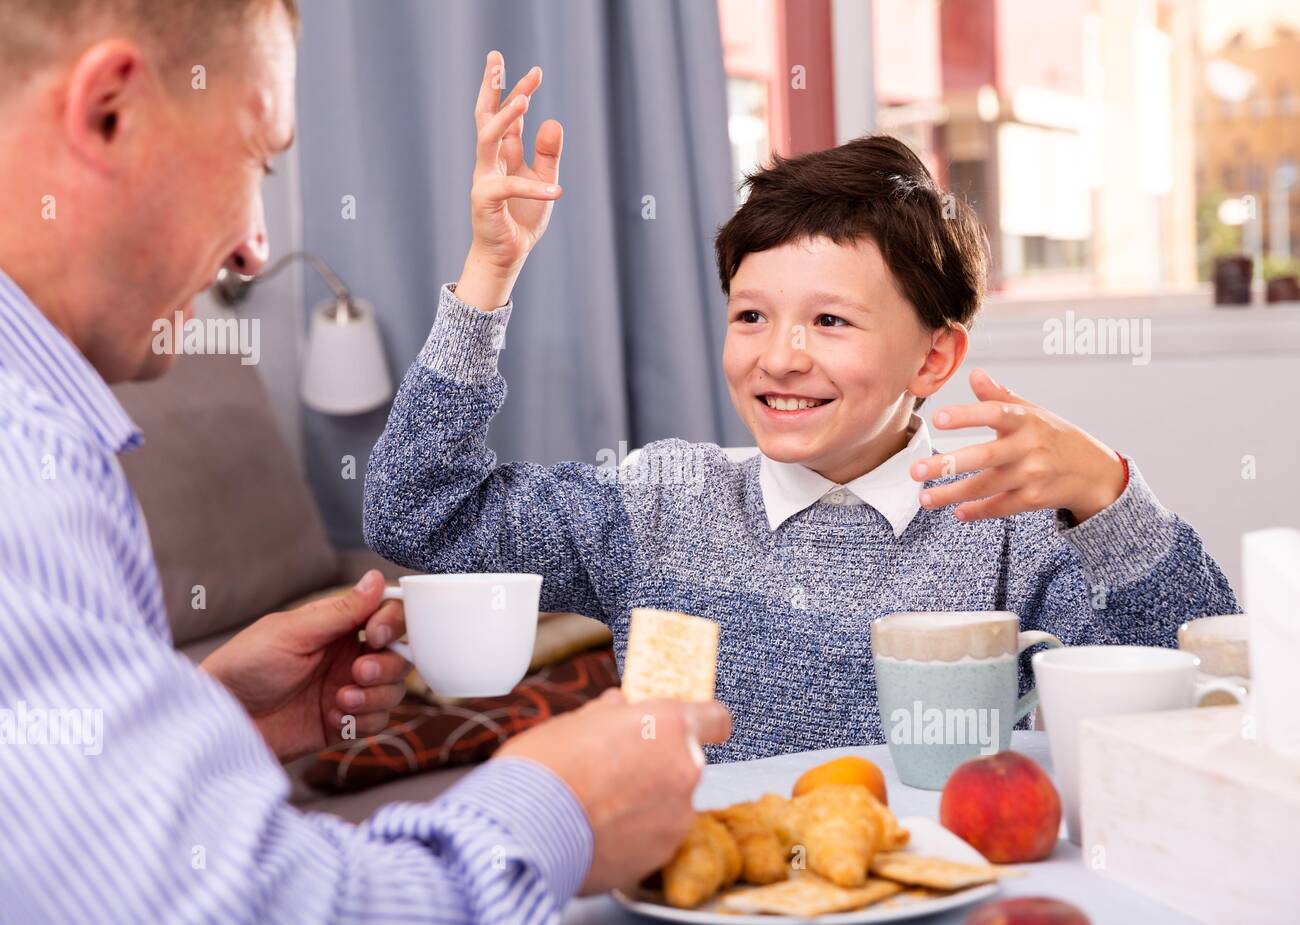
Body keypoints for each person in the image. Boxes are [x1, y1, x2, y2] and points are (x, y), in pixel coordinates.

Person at [0, 0, 728, 925]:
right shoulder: (29, 467)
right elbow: (229, 924)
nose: (256, 247)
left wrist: (204, 717)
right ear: (109, 110)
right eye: (258, 158)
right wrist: (556, 809)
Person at [364, 106, 1239, 762]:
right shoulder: (665, 500)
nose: (779, 357)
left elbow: (1201, 698)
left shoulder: (1006, 527)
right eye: (750, 315)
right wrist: (490, 271)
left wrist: (1107, 494)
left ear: (935, 358)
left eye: (829, 320)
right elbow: (418, 514)